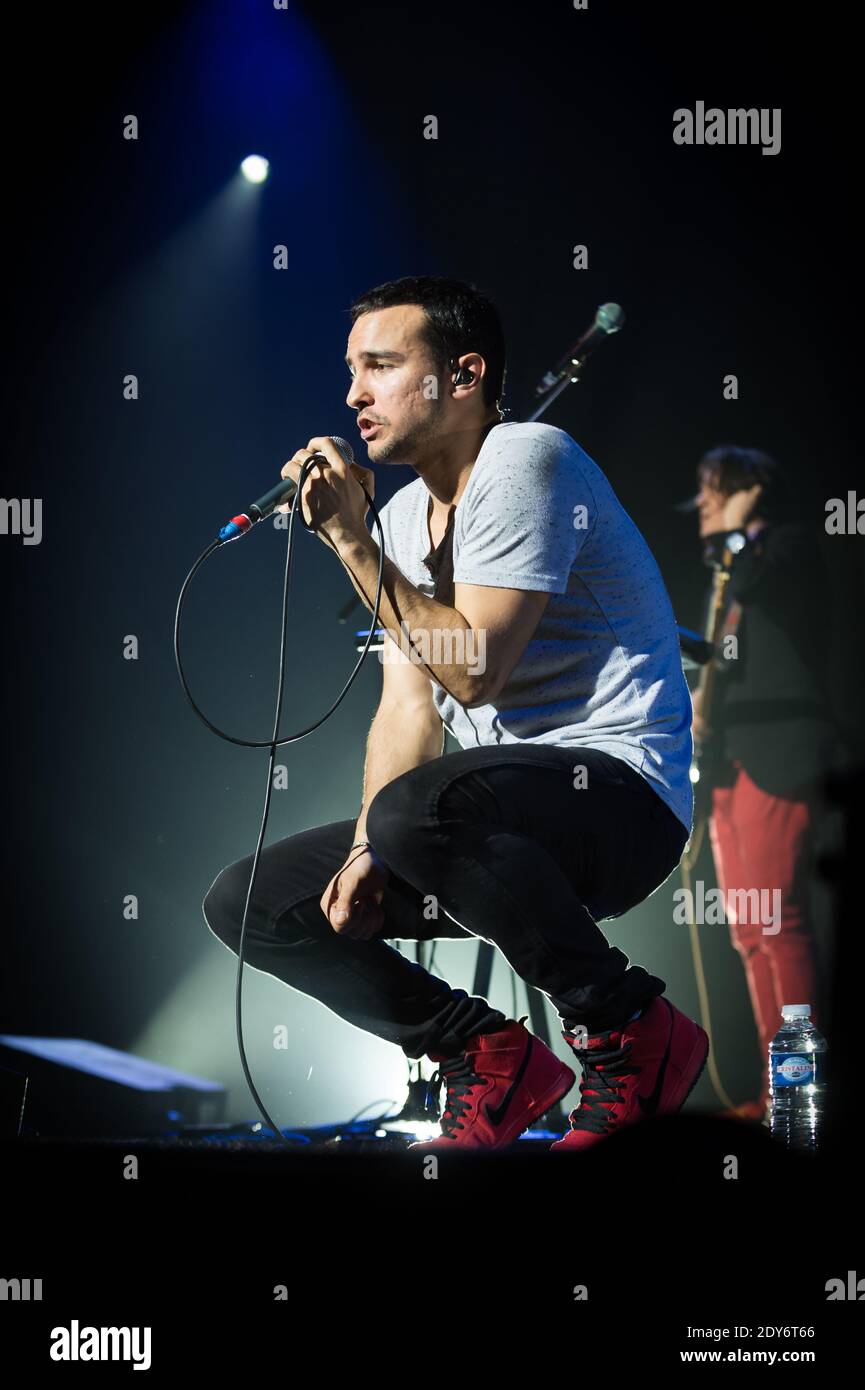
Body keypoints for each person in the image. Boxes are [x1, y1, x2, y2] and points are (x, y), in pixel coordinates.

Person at [202, 275, 708, 1152]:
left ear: (462, 374)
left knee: (419, 808)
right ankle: (485, 1054)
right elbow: (410, 706)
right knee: (257, 901)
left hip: (616, 802)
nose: (355, 393)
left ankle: (628, 1027)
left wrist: (348, 542)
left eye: (382, 366)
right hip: (480, 826)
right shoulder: (399, 516)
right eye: (350, 370)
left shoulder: (526, 460)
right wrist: (367, 848)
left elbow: (471, 672)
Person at [688, 446, 836, 1122]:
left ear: (751, 491)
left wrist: (745, 532)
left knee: (780, 927)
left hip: (778, 752)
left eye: (717, 490)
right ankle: (776, 1093)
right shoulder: (725, 571)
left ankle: (799, 1096)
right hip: (728, 763)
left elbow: (761, 590)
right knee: (748, 933)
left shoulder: (784, 551)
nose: (703, 503)